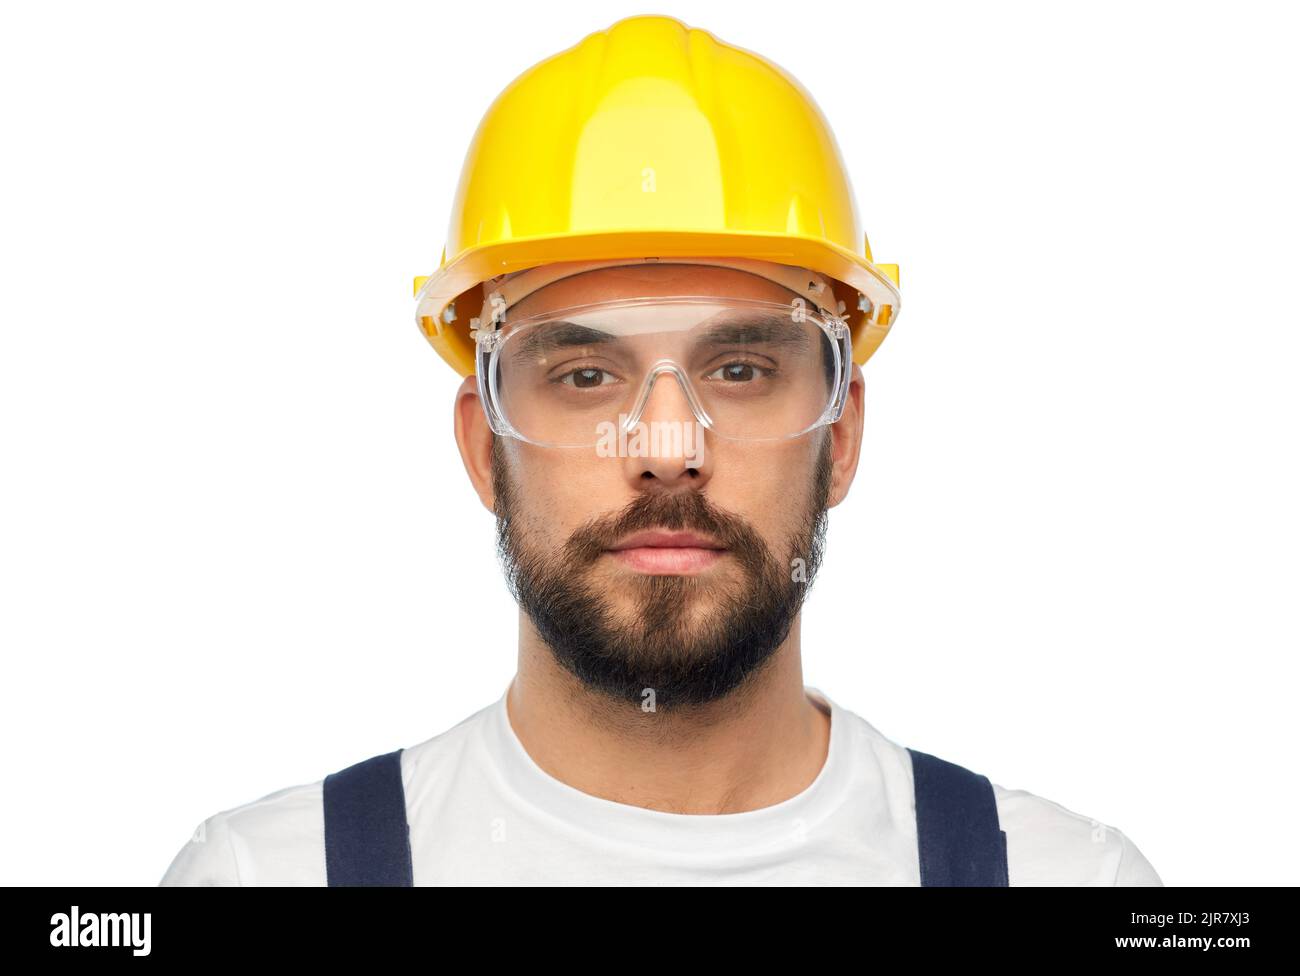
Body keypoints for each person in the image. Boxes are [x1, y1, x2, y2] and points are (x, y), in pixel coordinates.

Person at [160, 13, 1161, 886]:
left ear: (842, 433)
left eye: (737, 369)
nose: (668, 447)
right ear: (480, 445)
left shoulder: (1064, 880)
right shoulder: (266, 877)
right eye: (585, 375)